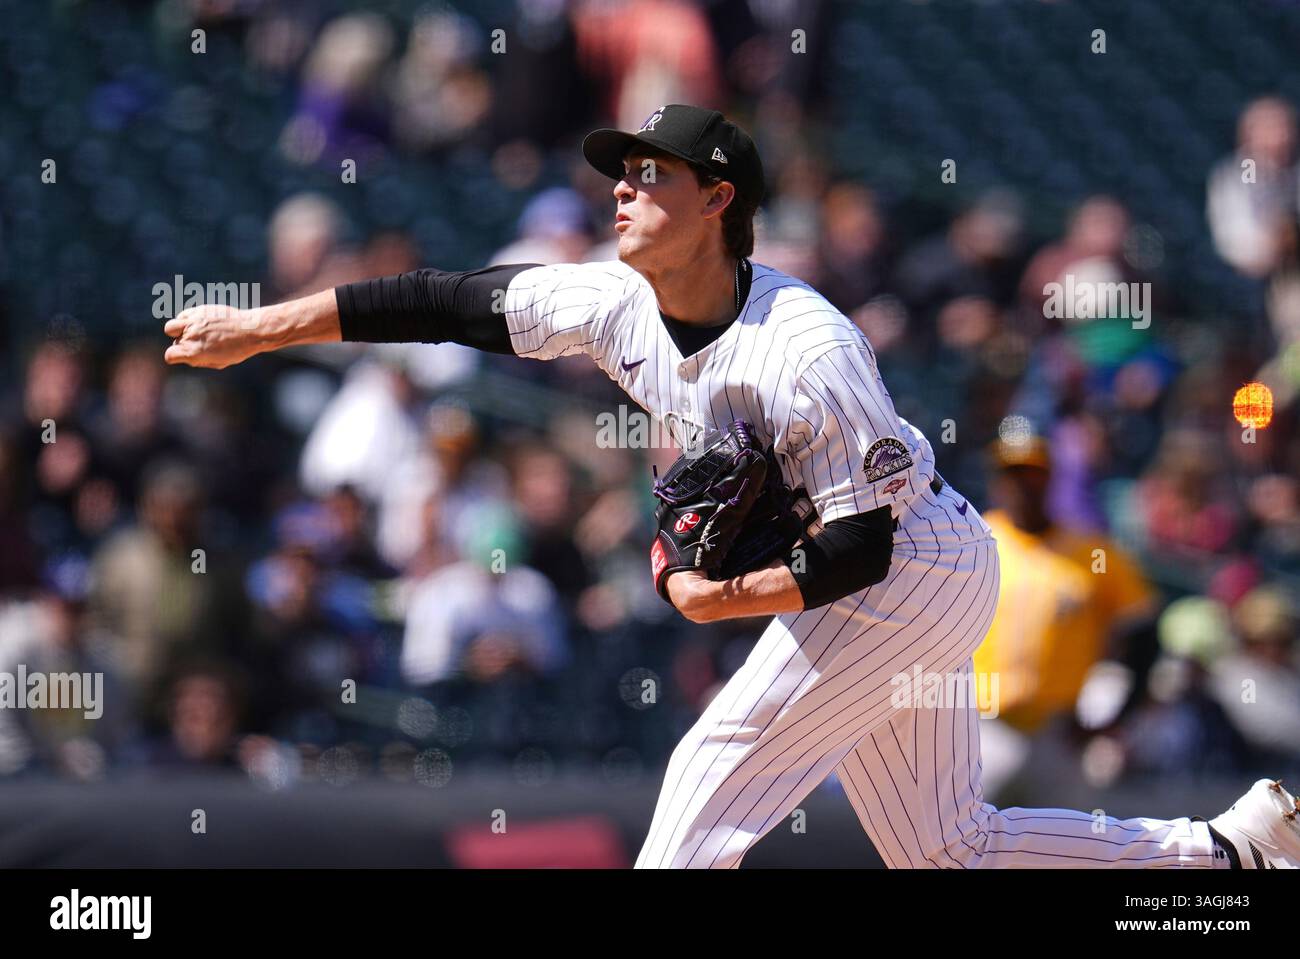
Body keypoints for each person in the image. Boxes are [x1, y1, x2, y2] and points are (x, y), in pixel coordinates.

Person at [162, 104, 1300, 869]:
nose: (620, 189)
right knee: (944, 848)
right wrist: (262, 328)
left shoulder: (807, 349)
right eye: (619, 173)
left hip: (902, 565)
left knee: (704, 783)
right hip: (895, 567)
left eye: (647, 174)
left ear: (717, 199)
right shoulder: (610, 300)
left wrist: (720, 597)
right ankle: (1225, 853)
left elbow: (856, 547)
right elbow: (443, 300)